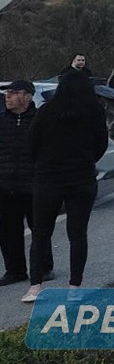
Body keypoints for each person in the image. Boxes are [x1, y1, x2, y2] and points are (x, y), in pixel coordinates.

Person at [23, 70, 107, 303]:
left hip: (48, 178)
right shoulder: (94, 113)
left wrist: (42, 164)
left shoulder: (47, 111)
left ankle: (35, 286)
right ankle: (75, 286)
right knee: (77, 234)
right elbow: (101, 144)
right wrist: (86, 161)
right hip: (81, 178)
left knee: (40, 234)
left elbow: (31, 144)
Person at [0, 80, 45, 287]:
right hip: (6, 186)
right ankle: (15, 270)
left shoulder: (40, 120)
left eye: (13, 92)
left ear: (27, 96)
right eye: (6, 93)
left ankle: (43, 267)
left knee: (40, 228)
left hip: (35, 184)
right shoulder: (1, 121)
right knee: (8, 231)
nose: (7, 96)